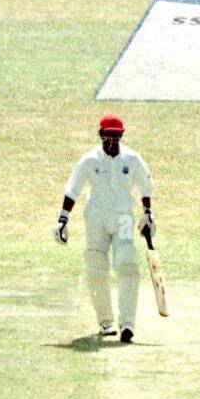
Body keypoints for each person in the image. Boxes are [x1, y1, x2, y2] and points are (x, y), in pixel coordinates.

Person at [54, 115, 156, 342]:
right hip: (96, 218)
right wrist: (63, 219)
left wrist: (148, 213)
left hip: (123, 218)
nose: (112, 140)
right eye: (108, 135)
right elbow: (73, 190)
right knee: (96, 269)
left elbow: (145, 187)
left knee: (127, 265)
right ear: (100, 135)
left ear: (122, 136)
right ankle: (106, 322)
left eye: (116, 136)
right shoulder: (89, 160)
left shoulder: (132, 158)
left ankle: (128, 324)